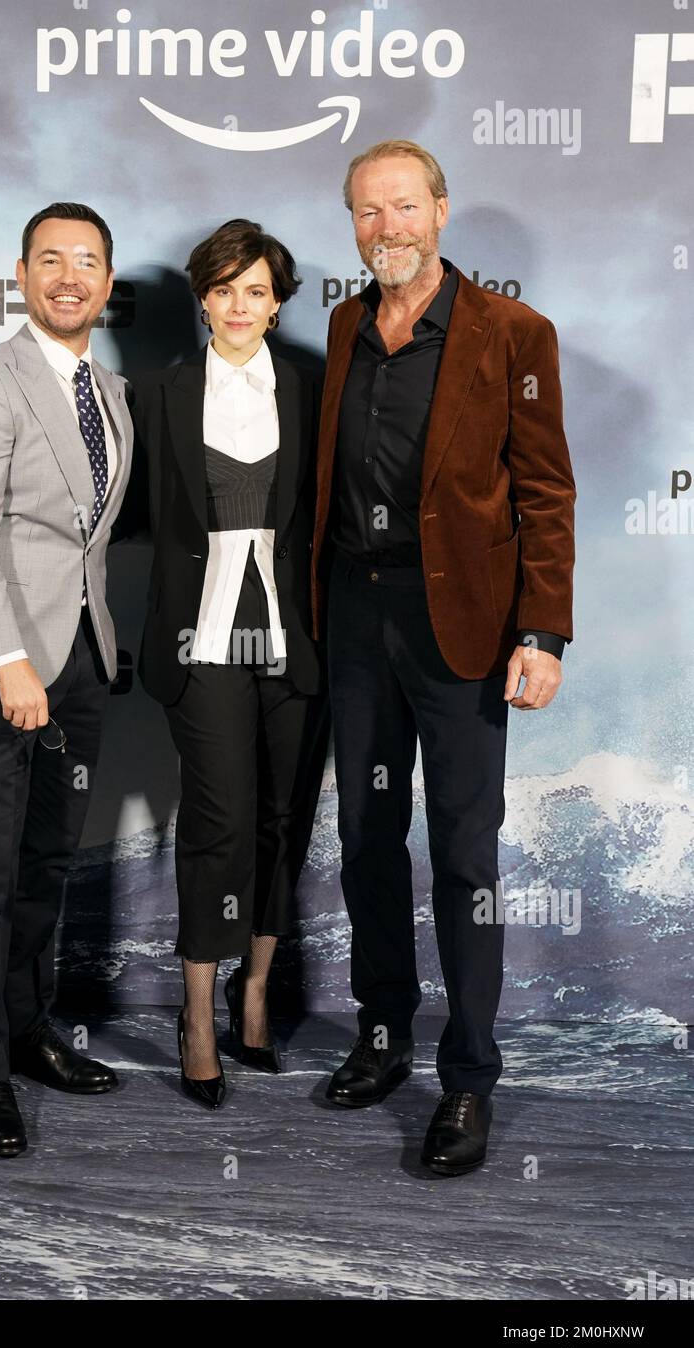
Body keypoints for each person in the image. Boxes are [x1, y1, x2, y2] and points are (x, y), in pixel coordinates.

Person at [312, 141, 576, 1175]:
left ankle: (467, 1080)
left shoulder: (514, 333)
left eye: (403, 207)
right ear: (353, 226)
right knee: (368, 840)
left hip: (460, 628)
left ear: (441, 211)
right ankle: (382, 1033)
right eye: (367, 213)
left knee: (465, 855)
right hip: (356, 620)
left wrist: (542, 630)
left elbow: (544, 493)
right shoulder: (343, 328)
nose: (388, 228)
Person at [0, 202, 133, 1157]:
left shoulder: (111, 392)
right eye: (50, 260)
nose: (68, 277)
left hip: (83, 660)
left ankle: (27, 1031)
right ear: (21, 273)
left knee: (45, 865)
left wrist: (78, 656)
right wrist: (10, 659)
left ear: (105, 280)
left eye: (86, 262)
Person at [129, 219, 330, 1108]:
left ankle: (255, 996)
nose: (238, 306)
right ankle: (198, 1015)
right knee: (218, 819)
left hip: (293, 637)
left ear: (278, 300)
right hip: (199, 634)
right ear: (200, 299)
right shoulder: (162, 392)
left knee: (280, 820)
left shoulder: (313, 388)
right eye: (221, 289)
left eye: (255, 290)